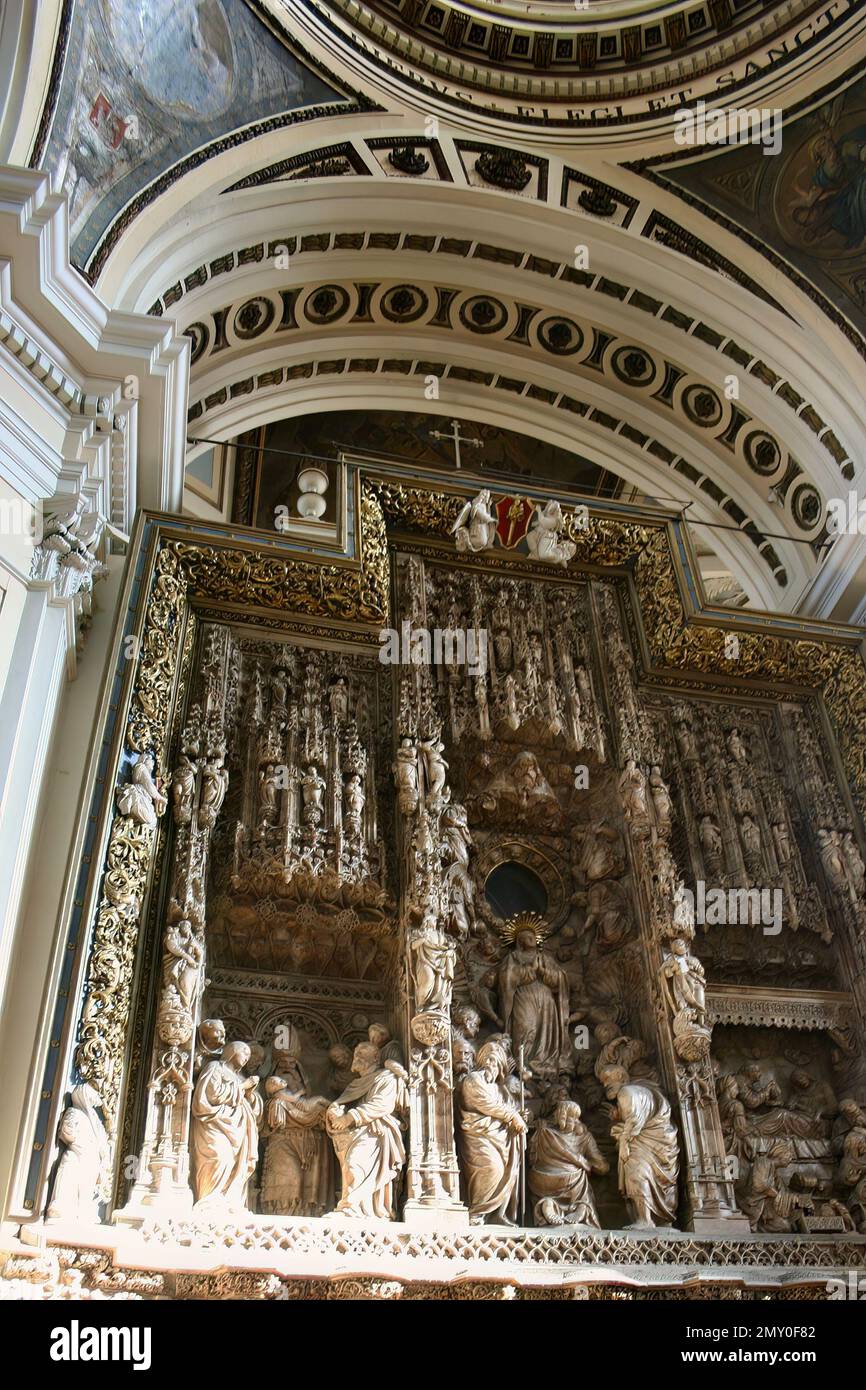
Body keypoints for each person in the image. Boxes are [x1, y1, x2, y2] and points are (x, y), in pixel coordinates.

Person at [326, 1042, 407, 1219]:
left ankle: (356, 1209)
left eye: (362, 1052)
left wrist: (349, 1117)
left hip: (377, 1132)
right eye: (355, 1053)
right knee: (350, 1168)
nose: (357, 1057)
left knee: (355, 1165)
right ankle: (358, 1208)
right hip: (358, 1132)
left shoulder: (386, 1077)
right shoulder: (355, 1084)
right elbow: (342, 1103)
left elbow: (383, 1104)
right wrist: (334, 1111)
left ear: (376, 1058)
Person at [601, 1065, 679, 1228]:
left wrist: (623, 1143)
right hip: (660, 1142)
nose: (605, 1085)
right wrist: (618, 1118)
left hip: (643, 1142)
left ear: (621, 1077)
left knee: (636, 1173)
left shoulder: (626, 1092)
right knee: (654, 1177)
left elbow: (635, 1120)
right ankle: (662, 1220)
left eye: (608, 1079)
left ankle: (645, 1220)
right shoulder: (640, 1091)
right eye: (602, 1082)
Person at [458, 1041, 526, 1225]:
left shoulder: (500, 1089)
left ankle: (497, 1215)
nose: (491, 1065)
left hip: (501, 1138)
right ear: (481, 1061)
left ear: (501, 1068)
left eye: (495, 1062)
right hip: (477, 1135)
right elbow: (486, 1104)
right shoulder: (473, 1080)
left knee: (507, 1171)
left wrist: (520, 1115)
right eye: (487, 1060)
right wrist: (512, 1115)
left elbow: (512, 1108)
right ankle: (477, 1213)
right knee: (491, 1168)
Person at [191, 1041, 262, 1211]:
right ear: (232, 1051)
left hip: (237, 1130)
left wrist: (251, 1095)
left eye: (248, 1055)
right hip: (214, 1124)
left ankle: (229, 1199)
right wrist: (243, 1087)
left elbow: (254, 1108)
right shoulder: (215, 1067)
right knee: (218, 1156)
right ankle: (208, 1199)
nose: (246, 1057)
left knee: (234, 1163)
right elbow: (211, 1094)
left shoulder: (240, 1077)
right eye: (244, 1052)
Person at [497, 924, 570, 1081]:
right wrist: (530, 969)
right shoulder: (514, 957)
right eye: (527, 938)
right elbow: (506, 979)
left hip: (546, 1000)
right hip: (524, 997)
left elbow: (560, 978)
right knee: (525, 1027)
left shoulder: (545, 958)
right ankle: (522, 1066)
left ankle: (545, 1065)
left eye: (533, 937)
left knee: (545, 1031)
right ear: (520, 941)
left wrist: (542, 972)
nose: (532, 940)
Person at [528, 1099, 608, 1227]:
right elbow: (602, 1167)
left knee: (547, 1192)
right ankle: (582, 1206)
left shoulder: (543, 1131)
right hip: (571, 1180)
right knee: (580, 1175)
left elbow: (531, 1158)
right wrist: (585, 1162)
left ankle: (547, 1204)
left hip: (540, 1179)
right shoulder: (585, 1137)